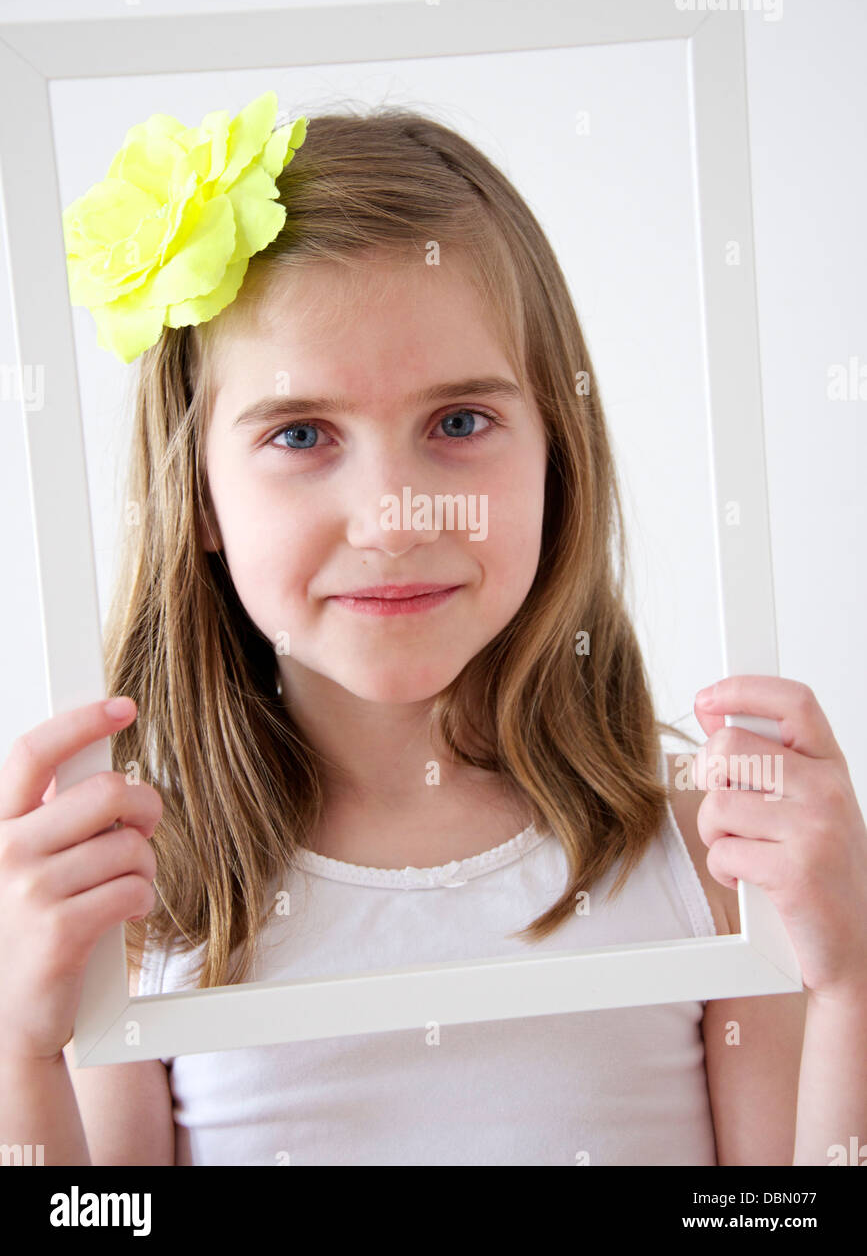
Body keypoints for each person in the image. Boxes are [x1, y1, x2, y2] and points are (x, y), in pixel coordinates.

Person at [1, 94, 865, 1167]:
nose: (396, 519)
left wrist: (849, 987)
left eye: (459, 423)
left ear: (560, 452)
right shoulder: (146, 901)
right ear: (202, 503)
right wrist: (20, 1051)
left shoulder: (709, 854)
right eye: (303, 433)